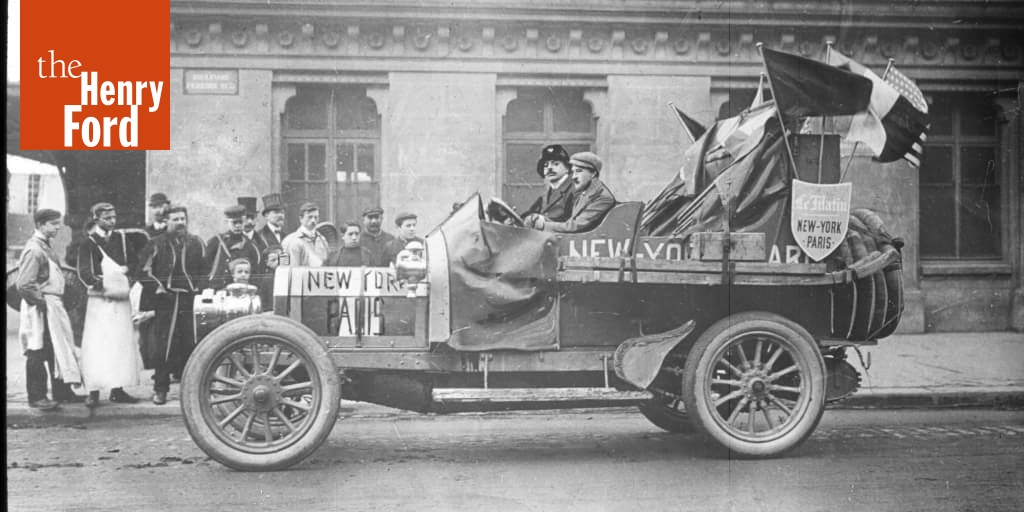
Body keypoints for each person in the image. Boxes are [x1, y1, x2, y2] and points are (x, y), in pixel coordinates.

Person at [138, 205, 207, 405]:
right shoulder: (155, 244)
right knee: (164, 347)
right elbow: (143, 271)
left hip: (190, 299)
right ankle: (160, 389)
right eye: (175, 219)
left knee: (190, 344)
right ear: (167, 221)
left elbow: (206, 270)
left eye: (182, 219)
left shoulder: (196, 243)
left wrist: (201, 289)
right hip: (166, 301)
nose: (180, 223)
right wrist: (158, 289)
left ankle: (191, 392)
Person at [16, 209, 84, 410]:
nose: (57, 227)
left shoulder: (45, 247)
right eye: (53, 224)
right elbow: (24, 284)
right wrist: (42, 303)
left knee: (57, 348)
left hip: (51, 305)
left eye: (58, 223)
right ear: (40, 224)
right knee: (38, 350)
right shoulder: (34, 250)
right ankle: (36, 396)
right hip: (41, 307)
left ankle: (62, 392)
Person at [76, 202, 141, 407]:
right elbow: (83, 270)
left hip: (120, 299)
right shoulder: (88, 242)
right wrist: (102, 283)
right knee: (97, 344)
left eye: (114, 217)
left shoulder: (121, 239)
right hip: (99, 301)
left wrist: (127, 276)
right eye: (107, 218)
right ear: (96, 219)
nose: (112, 221)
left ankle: (117, 389)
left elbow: (134, 263)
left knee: (119, 343)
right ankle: (93, 391)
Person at [528, 151, 617, 233]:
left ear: (593, 173)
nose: (574, 177)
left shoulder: (601, 197)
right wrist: (543, 219)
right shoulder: (584, 192)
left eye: (578, 171)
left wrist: (544, 225)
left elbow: (574, 227)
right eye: (573, 172)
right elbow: (569, 222)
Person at [205, 205, 261, 290]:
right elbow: (206, 267)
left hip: (243, 291)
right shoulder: (216, 242)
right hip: (219, 290)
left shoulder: (251, 246)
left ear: (244, 221)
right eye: (234, 222)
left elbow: (255, 274)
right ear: (227, 222)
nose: (238, 225)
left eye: (240, 222)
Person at [523, 144, 575, 225]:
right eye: (545, 165)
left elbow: (572, 224)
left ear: (567, 168)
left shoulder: (575, 189)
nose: (549, 168)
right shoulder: (546, 194)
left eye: (556, 164)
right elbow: (530, 213)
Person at [281, 202, 329, 267]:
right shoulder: (289, 240)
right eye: (310, 217)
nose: (313, 220)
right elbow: (284, 268)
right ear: (301, 218)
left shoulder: (322, 239)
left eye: (316, 217)